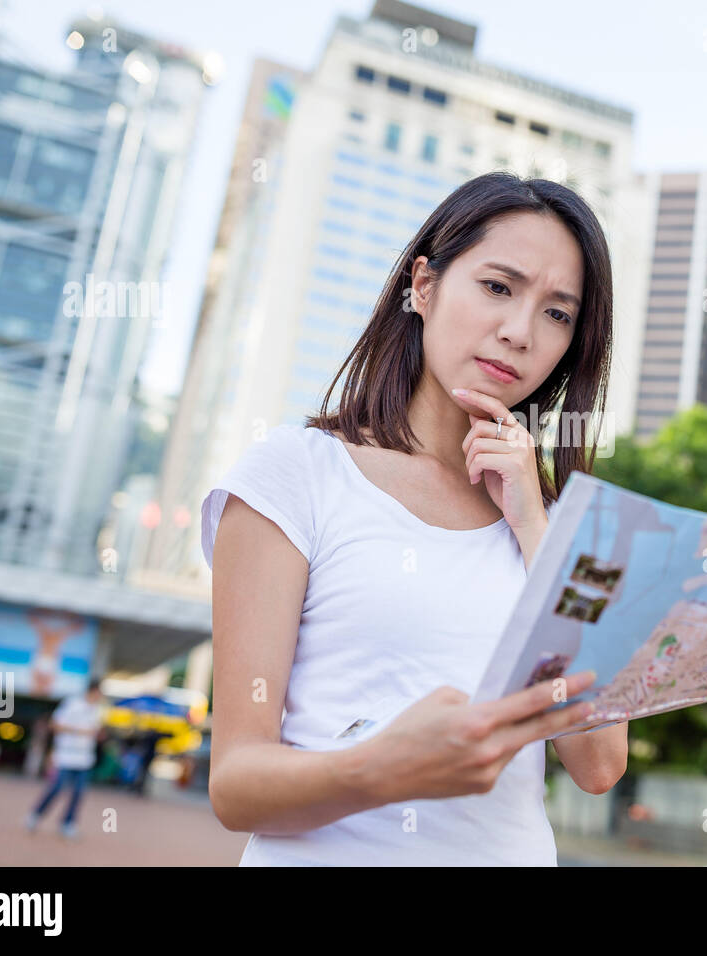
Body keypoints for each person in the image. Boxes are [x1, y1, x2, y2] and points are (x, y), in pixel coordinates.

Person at [202, 172, 628, 865]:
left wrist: (533, 528)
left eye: (557, 313)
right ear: (423, 286)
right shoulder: (297, 472)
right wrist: (382, 767)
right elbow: (236, 784)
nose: (519, 332)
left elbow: (599, 761)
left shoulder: (565, 528)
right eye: (498, 287)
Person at [25, 679, 104, 839]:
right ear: (94, 691)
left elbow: (95, 731)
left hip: (84, 758)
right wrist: (78, 731)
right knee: (57, 788)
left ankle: (68, 824)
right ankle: (36, 815)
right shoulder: (72, 704)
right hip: (66, 755)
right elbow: (55, 725)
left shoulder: (97, 710)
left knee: (79, 793)